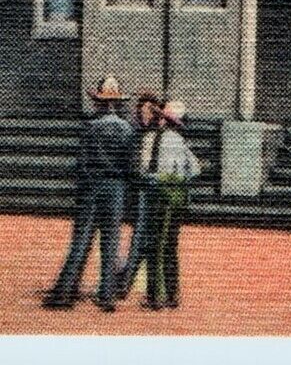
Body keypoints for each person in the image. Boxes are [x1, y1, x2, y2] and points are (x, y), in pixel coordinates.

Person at [43, 75, 135, 312]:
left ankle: (64, 293)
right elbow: (129, 165)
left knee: (81, 242)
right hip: (116, 188)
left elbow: (82, 163)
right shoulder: (127, 129)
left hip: (93, 187)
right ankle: (107, 296)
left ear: (99, 102)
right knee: (110, 243)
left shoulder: (91, 127)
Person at [146, 100, 202, 310]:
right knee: (170, 247)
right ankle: (172, 294)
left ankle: (156, 297)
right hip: (178, 198)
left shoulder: (161, 140)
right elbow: (195, 169)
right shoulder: (180, 141)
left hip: (162, 196)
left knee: (157, 248)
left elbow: (155, 172)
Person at [117, 92, 162, 300]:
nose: (146, 115)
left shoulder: (158, 136)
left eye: (150, 111)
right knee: (139, 239)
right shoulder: (134, 133)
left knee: (144, 241)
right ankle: (124, 282)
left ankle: (127, 282)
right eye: (143, 110)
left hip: (152, 191)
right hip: (137, 190)